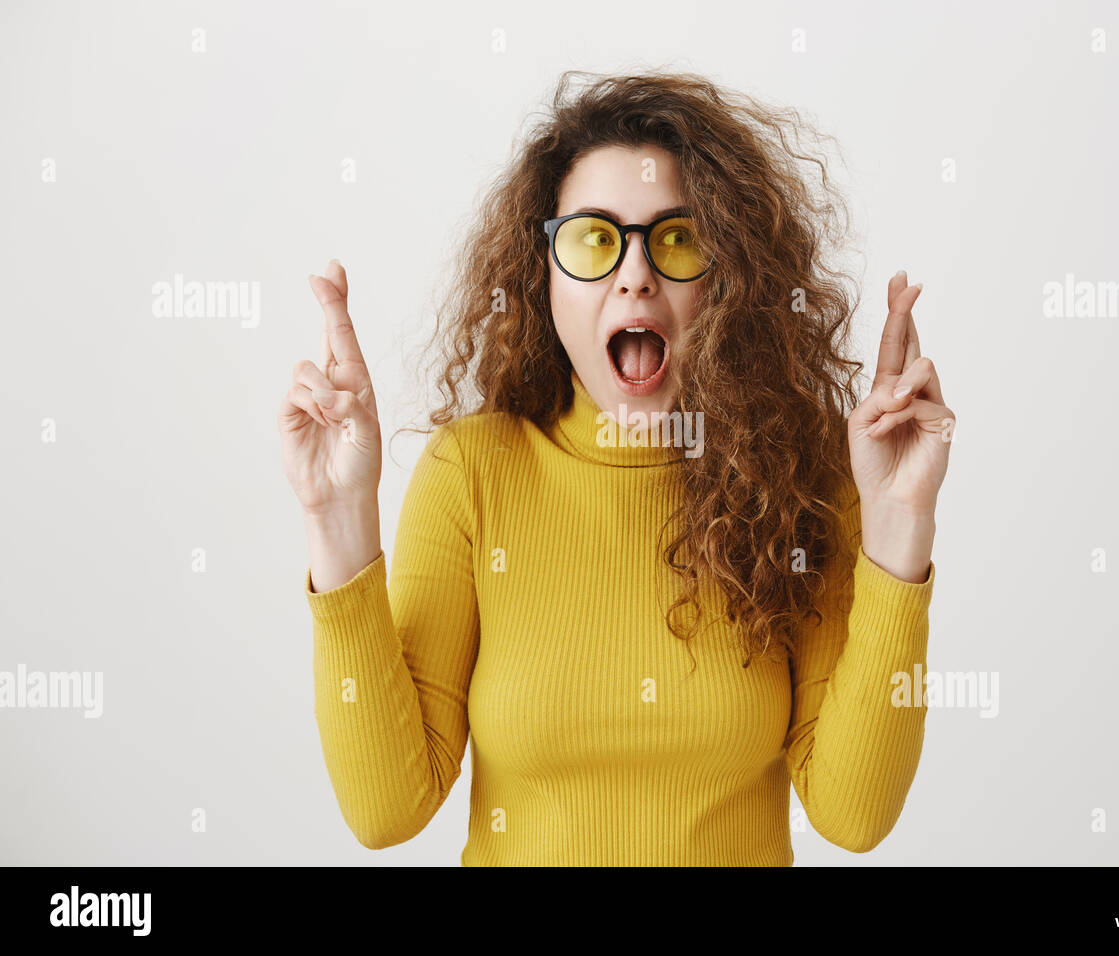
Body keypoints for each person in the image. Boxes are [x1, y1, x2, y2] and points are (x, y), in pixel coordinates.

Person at [278, 71, 955, 865]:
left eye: (677, 239)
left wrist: (902, 524)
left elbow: (854, 813)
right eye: (594, 240)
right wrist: (335, 516)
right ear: (545, 279)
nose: (635, 274)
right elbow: (384, 810)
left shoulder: (796, 480)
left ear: (729, 275)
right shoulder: (472, 473)